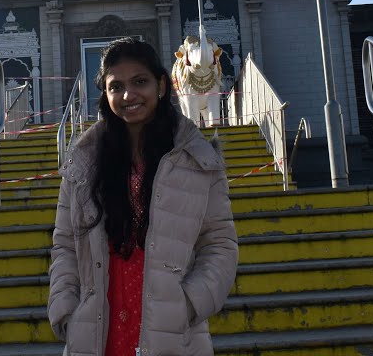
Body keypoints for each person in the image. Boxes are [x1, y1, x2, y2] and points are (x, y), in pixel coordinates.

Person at [48, 37, 238, 355]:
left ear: (161, 85)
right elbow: (65, 245)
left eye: (140, 82)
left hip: (172, 330)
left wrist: (188, 304)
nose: (128, 95)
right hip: (97, 330)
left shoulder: (198, 160)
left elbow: (219, 245)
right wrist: (66, 308)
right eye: (116, 86)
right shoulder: (83, 164)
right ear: (105, 94)